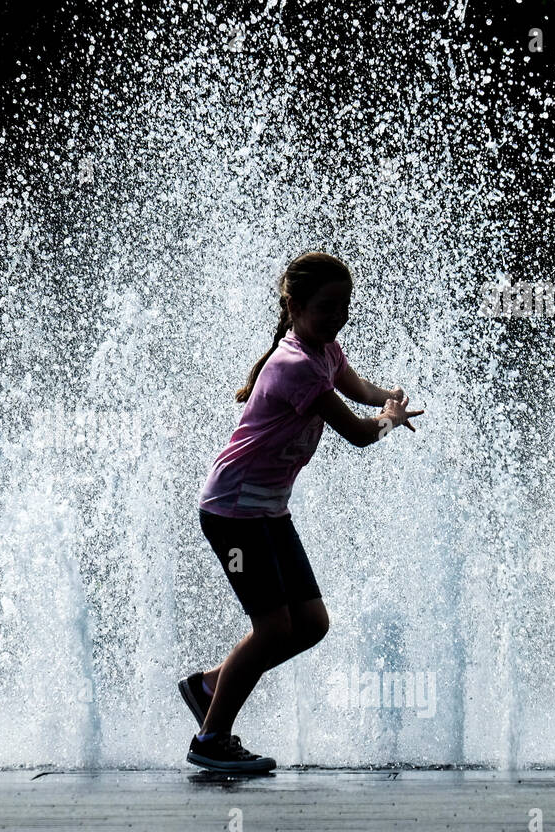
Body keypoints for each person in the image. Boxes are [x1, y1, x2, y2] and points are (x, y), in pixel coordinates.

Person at [182, 252, 424, 772]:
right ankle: (211, 739)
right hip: (233, 511)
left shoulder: (324, 350)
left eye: (345, 307)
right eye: (326, 308)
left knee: (310, 623)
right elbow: (359, 434)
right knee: (272, 627)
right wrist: (385, 418)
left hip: (268, 511)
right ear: (293, 305)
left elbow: (361, 390)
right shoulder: (295, 367)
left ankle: (209, 686)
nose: (337, 317)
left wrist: (391, 401)